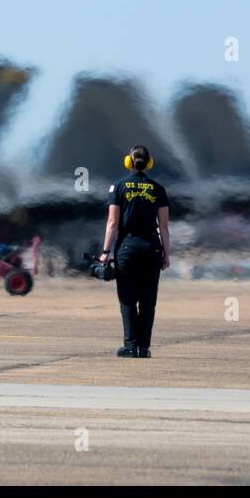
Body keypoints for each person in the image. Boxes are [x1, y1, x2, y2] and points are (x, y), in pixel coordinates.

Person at [100, 145, 170, 358]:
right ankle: (144, 348)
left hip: (127, 249)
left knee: (128, 299)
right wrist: (166, 254)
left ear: (129, 162)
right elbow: (164, 227)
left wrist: (105, 251)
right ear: (149, 163)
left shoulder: (118, 187)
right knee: (148, 301)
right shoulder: (158, 189)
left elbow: (112, 223)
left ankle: (130, 346)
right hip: (151, 248)